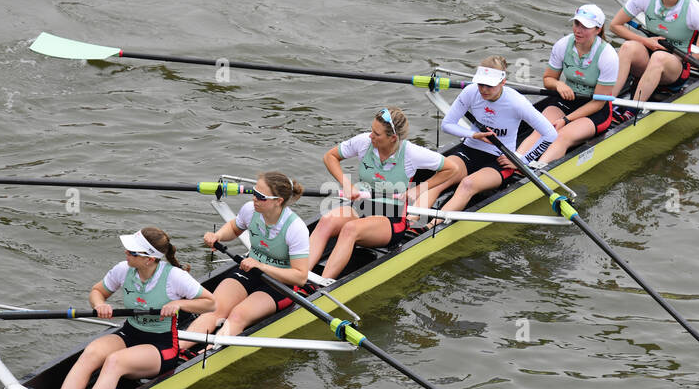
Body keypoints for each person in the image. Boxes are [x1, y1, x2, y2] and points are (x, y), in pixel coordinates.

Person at [52, 228, 214, 389]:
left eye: (132, 252)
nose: (126, 253)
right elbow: (97, 292)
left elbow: (211, 304)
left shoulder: (175, 277)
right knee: (92, 352)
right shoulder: (123, 269)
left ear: (149, 259)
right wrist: (100, 305)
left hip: (162, 345)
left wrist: (179, 303)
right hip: (130, 333)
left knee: (115, 361)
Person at [308, 107, 447, 279]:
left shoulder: (411, 153)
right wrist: (347, 184)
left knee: (350, 229)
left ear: (393, 138)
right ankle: (299, 277)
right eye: (372, 130)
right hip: (360, 209)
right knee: (327, 220)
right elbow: (330, 157)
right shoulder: (364, 142)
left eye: (377, 134)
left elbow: (452, 169)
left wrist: (419, 189)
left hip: (391, 219)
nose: (370, 136)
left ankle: (320, 285)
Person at [424, 55, 558, 216]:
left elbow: (550, 134)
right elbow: (447, 125)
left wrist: (522, 161)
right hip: (470, 149)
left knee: (467, 184)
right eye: (481, 84)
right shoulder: (471, 92)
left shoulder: (517, 102)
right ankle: (410, 220)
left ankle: (434, 225)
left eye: (489, 85)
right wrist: (474, 135)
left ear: (503, 82)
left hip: (500, 159)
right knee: (439, 177)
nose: (484, 90)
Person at [185, 172, 310, 342]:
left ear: (278, 201)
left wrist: (263, 266)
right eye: (253, 192)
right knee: (215, 309)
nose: (254, 198)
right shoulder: (250, 210)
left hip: (280, 284)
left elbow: (300, 277)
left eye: (260, 196)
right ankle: (178, 351)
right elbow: (234, 228)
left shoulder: (295, 228)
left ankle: (206, 359)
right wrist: (218, 236)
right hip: (249, 270)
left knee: (237, 316)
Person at [514, 4, 620, 165]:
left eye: (585, 27)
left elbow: (599, 102)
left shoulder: (608, 55)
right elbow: (548, 79)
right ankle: (514, 163)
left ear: (598, 30)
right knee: (541, 129)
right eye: (577, 24)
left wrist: (566, 120)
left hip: (595, 109)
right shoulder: (563, 45)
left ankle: (536, 171)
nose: (578, 30)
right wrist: (558, 85)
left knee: (562, 136)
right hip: (567, 99)